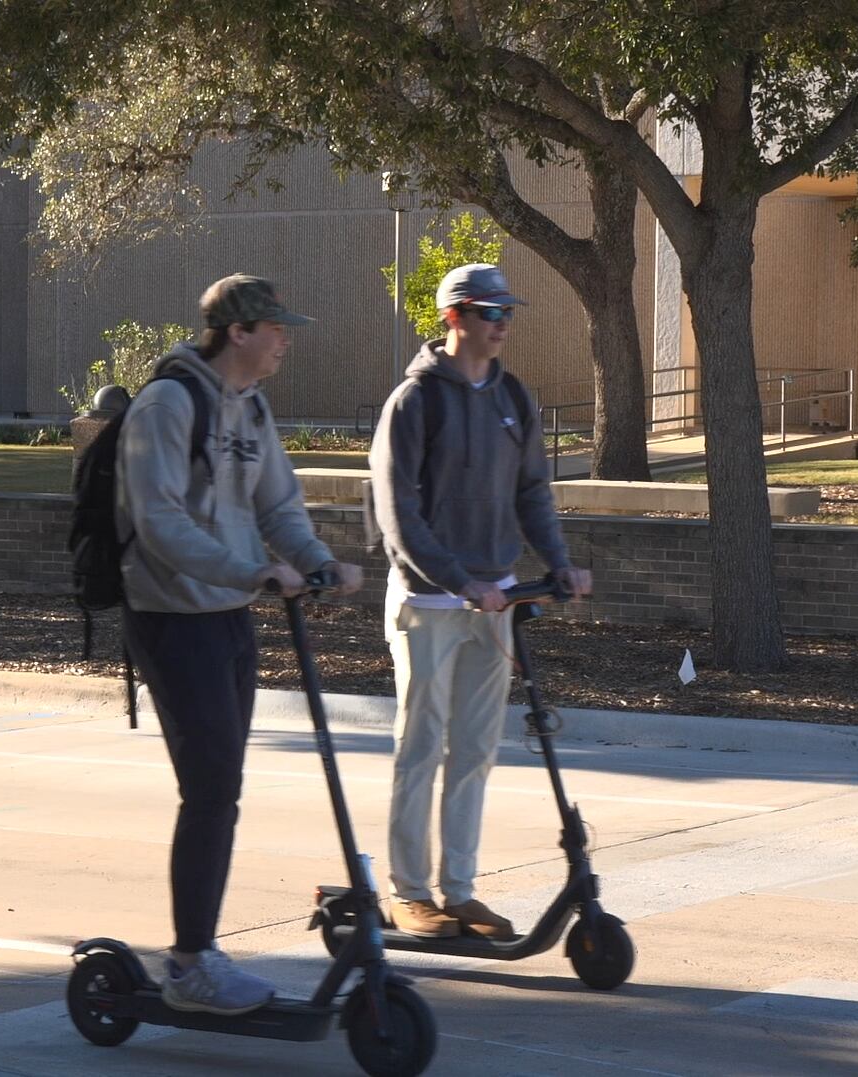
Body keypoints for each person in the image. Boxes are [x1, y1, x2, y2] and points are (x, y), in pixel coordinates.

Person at [117, 273, 365, 1015]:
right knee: (212, 788)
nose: (286, 340)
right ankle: (191, 962)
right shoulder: (167, 404)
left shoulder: (250, 407)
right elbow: (160, 523)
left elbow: (278, 504)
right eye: (277, 328)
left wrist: (314, 559)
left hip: (228, 611)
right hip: (170, 615)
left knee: (221, 790)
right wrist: (251, 568)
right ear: (239, 333)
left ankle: (198, 951)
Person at [368, 263, 592, 942]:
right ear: (454, 316)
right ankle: (409, 892)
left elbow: (532, 494)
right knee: (421, 745)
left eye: (508, 313)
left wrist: (556, 563)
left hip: (495, 603)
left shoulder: (514, 397)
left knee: (473, 749)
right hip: (428, 603)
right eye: (490, 312)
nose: (502, 324)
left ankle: (458, 890)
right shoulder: (414, 401)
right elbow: (397, 512)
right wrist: (457, 579)